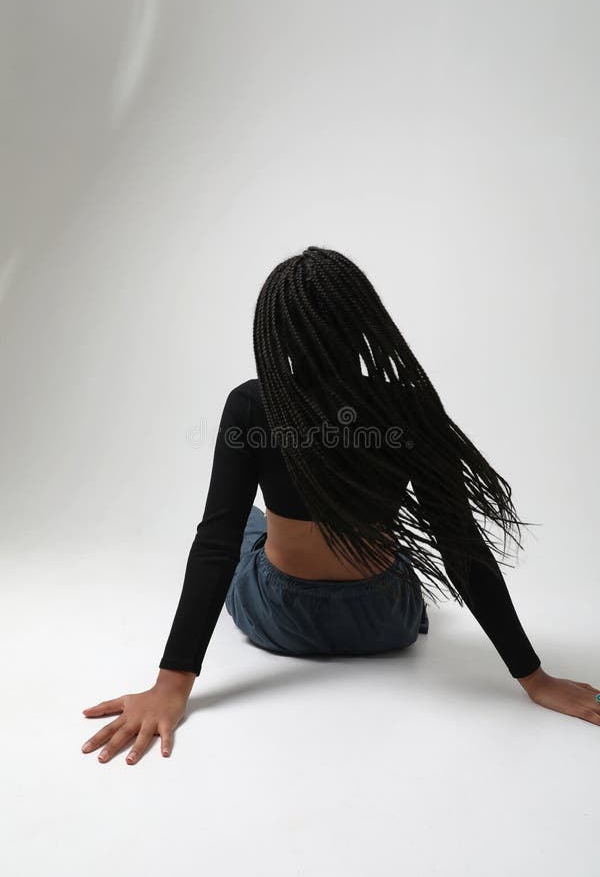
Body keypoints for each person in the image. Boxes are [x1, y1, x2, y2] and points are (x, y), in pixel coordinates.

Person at [81, 246, 600, 765]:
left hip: (280, 620)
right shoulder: (407, 405)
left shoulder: (252, 404)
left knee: (241, 526)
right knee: (378, 542)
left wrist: (171, 684)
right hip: (387, 620)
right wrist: (535, 678)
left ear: (274, 333)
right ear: (365, 321)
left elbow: (216, 543)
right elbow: (460, 546)